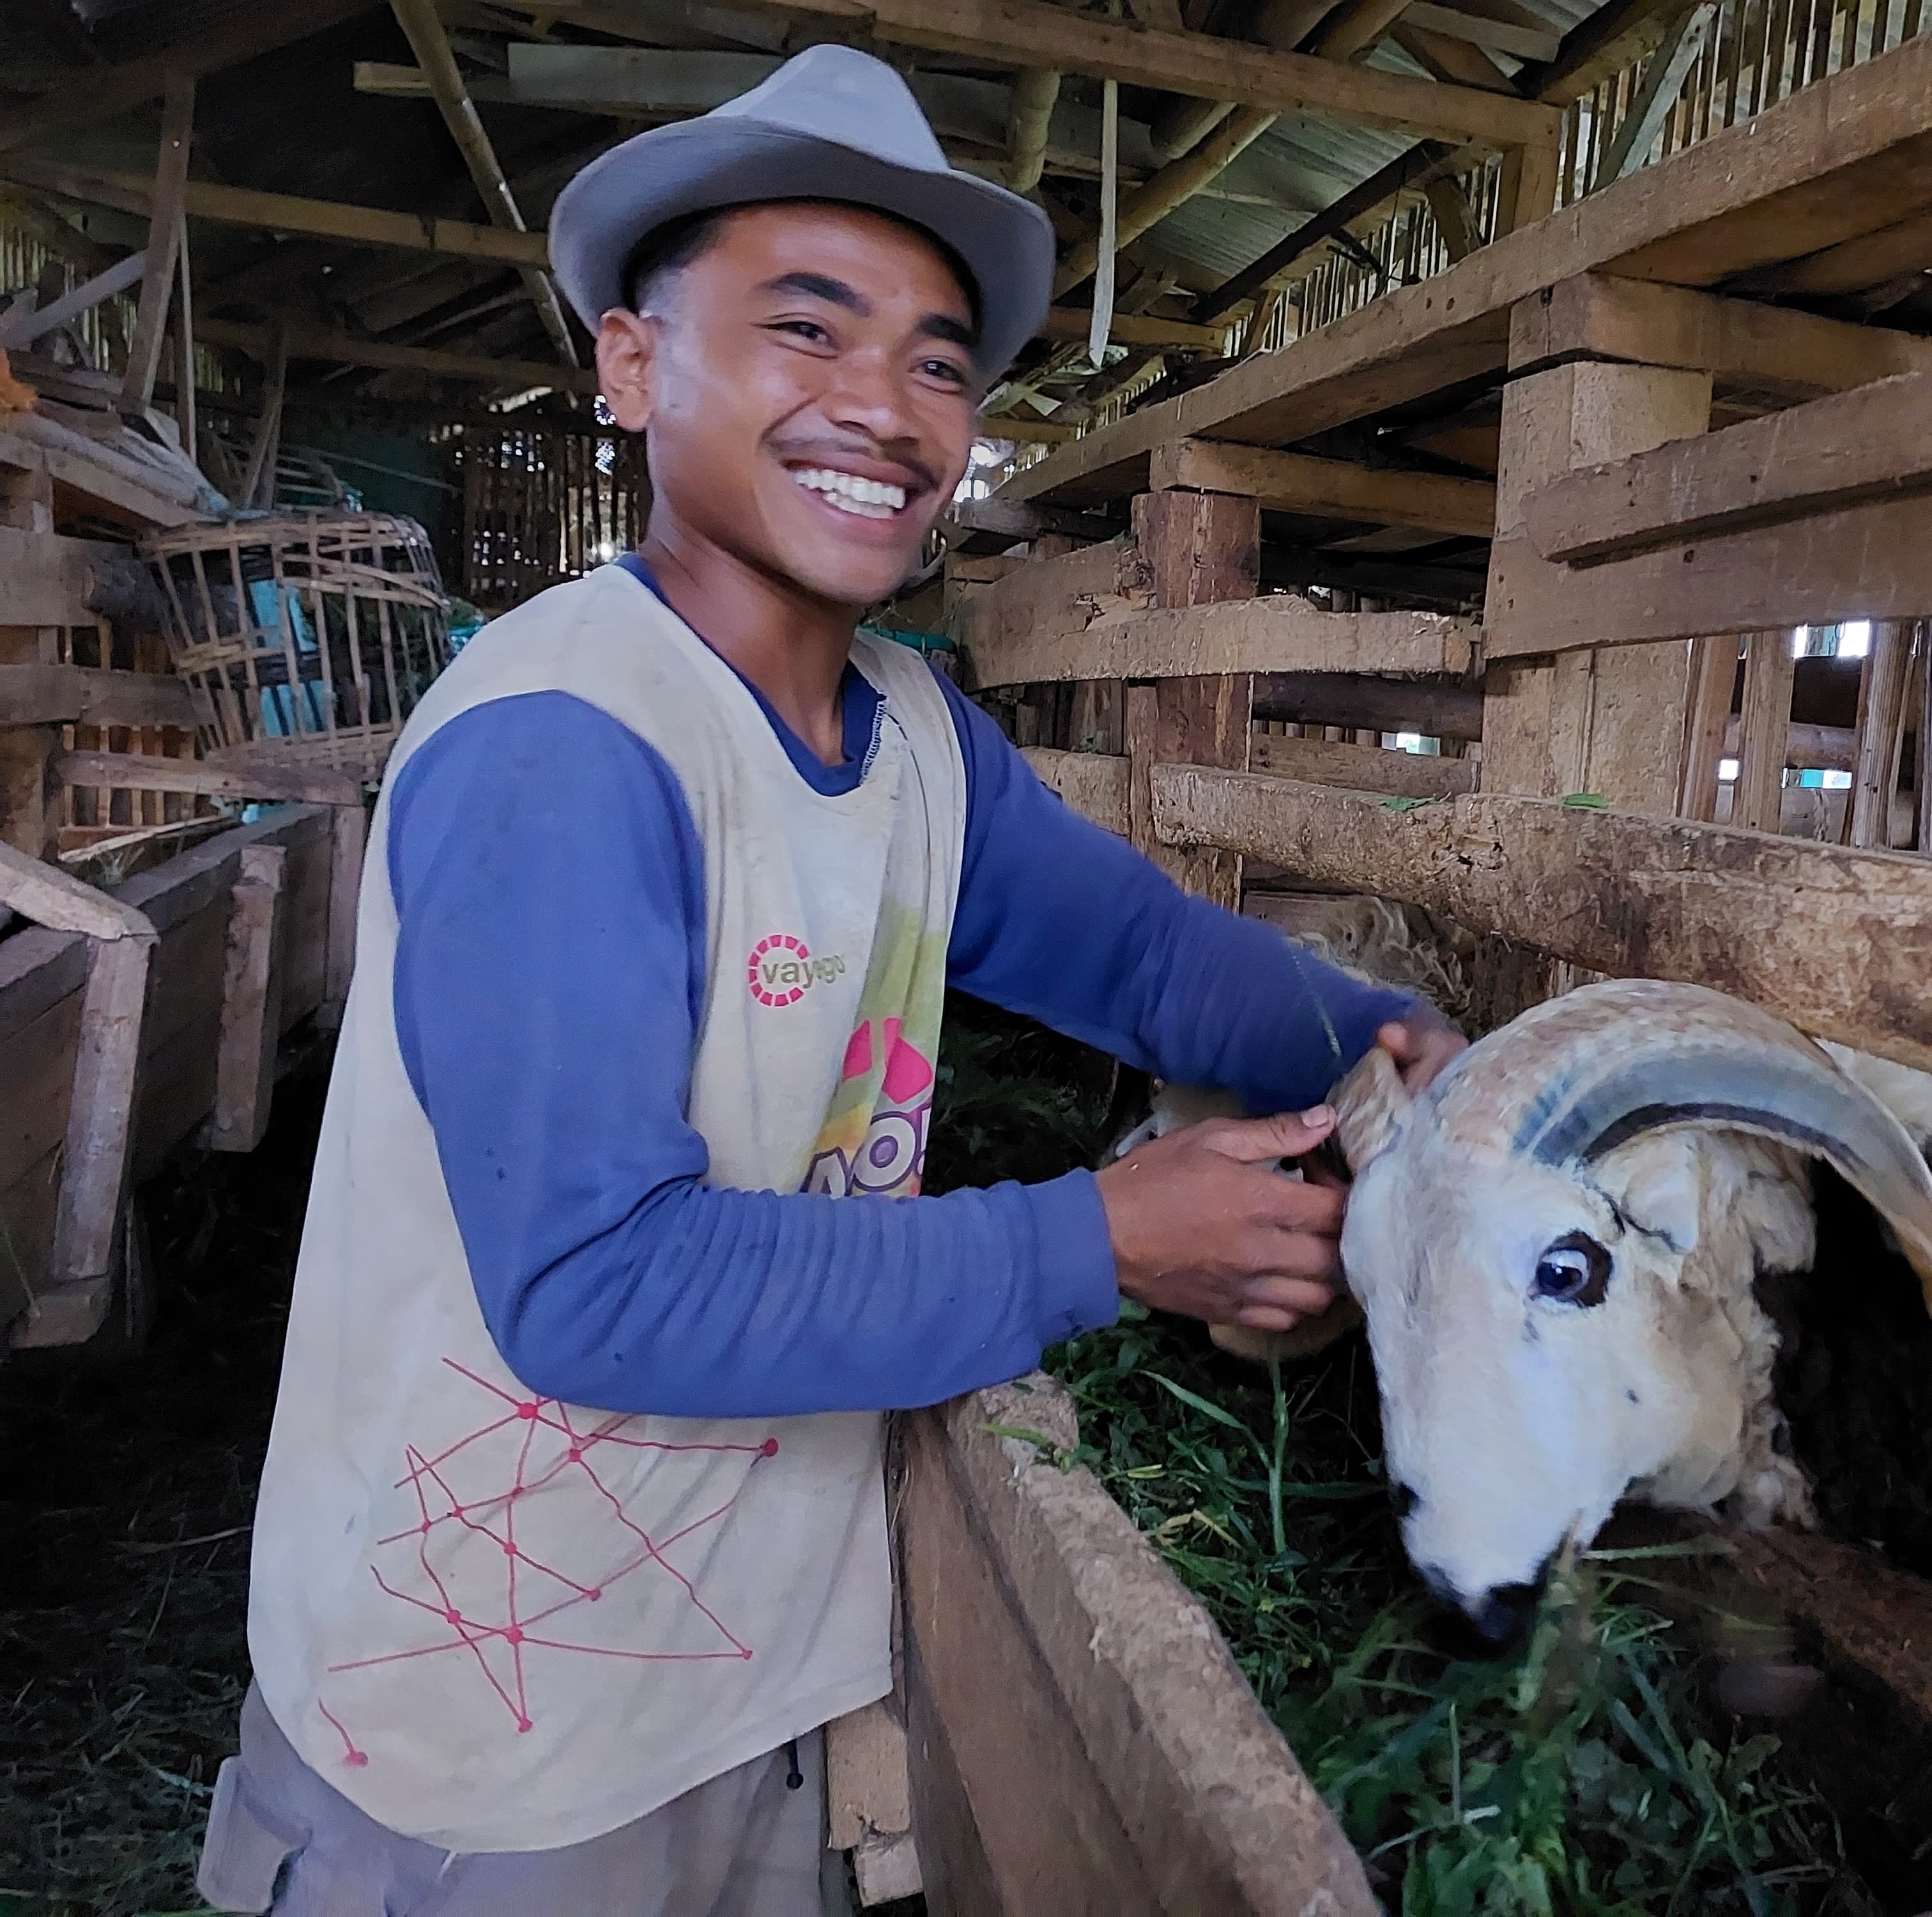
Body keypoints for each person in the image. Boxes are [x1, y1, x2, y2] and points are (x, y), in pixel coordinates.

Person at [194, 46, 1462, 1916]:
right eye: (807, 329)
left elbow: (1141, 958)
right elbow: (595, 1285)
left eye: (939, 362)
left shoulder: (914, 740)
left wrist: (1417, 1057)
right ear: (632, 367)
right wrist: (1105, 1241)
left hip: (769, 1655)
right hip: (498, 1725)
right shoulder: (571, 743)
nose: (885, 408)